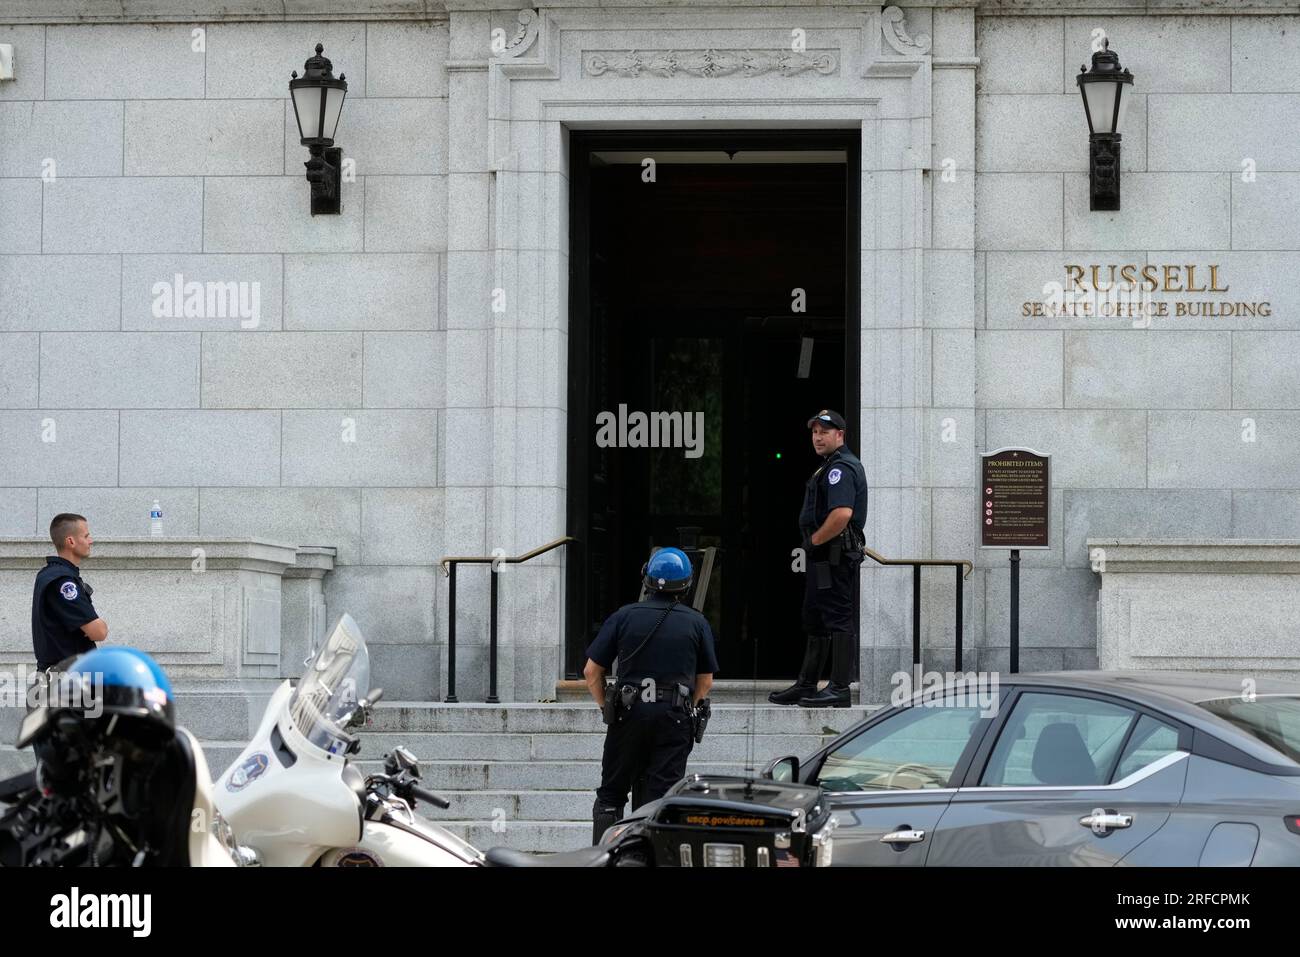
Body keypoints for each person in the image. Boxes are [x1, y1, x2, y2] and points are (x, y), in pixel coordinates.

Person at [583, 547, 718, 843]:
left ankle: (602, 859)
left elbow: (591, 672)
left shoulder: (624, 616)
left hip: (628, 714)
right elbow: (705, 682)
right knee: (661, 800)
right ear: (687, 583)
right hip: (674, 717)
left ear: (646, 578)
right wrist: (687, 706)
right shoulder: (696, 622)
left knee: (611, 794)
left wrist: (607, 706)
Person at [768, 409, 867, 708]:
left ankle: (839, 687)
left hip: (834, 556)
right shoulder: (828, 466)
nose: (818, 437)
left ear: (840, 434)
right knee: (815, 618)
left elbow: (841, 514)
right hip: (823, 558)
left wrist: (813, 541)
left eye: (824, 431)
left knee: (837, 619)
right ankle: (807, 684)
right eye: (814, 432)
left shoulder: (841, 469)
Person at [32, 513, 108, 673]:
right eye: (86, 536)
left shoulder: (49, 573)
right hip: (68, 683)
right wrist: (98, 625)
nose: (91, 541)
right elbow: (99, 632)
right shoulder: (63, 581)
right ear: (71, 541)